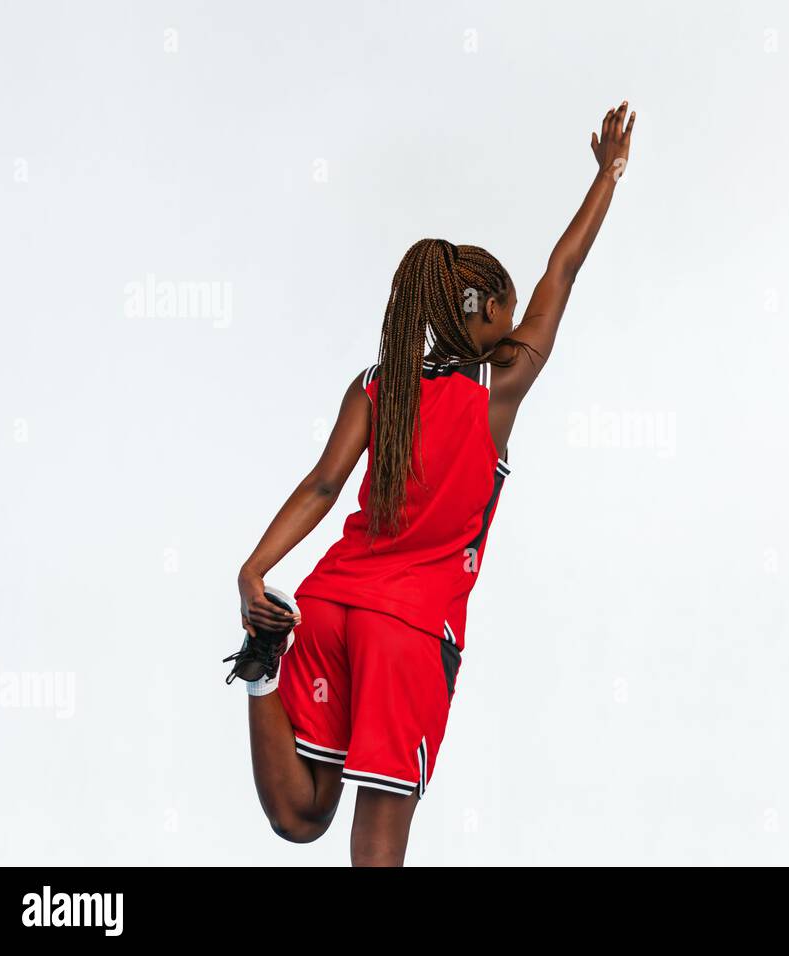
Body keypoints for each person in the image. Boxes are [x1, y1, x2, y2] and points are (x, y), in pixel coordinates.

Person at [222, 100, 636, 865]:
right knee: (377, 848)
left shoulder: (380, 384)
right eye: (506, 308)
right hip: (405, 631)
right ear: (480, 310)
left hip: (326, 604)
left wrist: (254, 569)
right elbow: (564, 271)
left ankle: (262, 677)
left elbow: (321, 486)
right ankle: (265, 672)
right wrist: (609, 175)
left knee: (303, 815)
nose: (518, 323)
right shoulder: (498, 382)